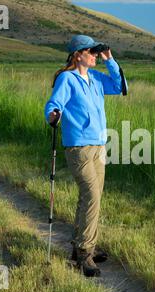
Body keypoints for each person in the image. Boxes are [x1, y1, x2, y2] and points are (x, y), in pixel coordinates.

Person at [44, 35, 127, 277]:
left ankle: (80, 244)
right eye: (91, 51)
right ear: (78, 54)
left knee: (91, 197)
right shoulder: (67, 79)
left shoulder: (96, 79)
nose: (95, 55)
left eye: (96, 52)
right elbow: (53, 104)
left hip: (99, 146)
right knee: (91, 195)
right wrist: (53, 115)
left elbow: (120, 85)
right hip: (79, 148)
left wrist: (109, 59)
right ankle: (84, 253)